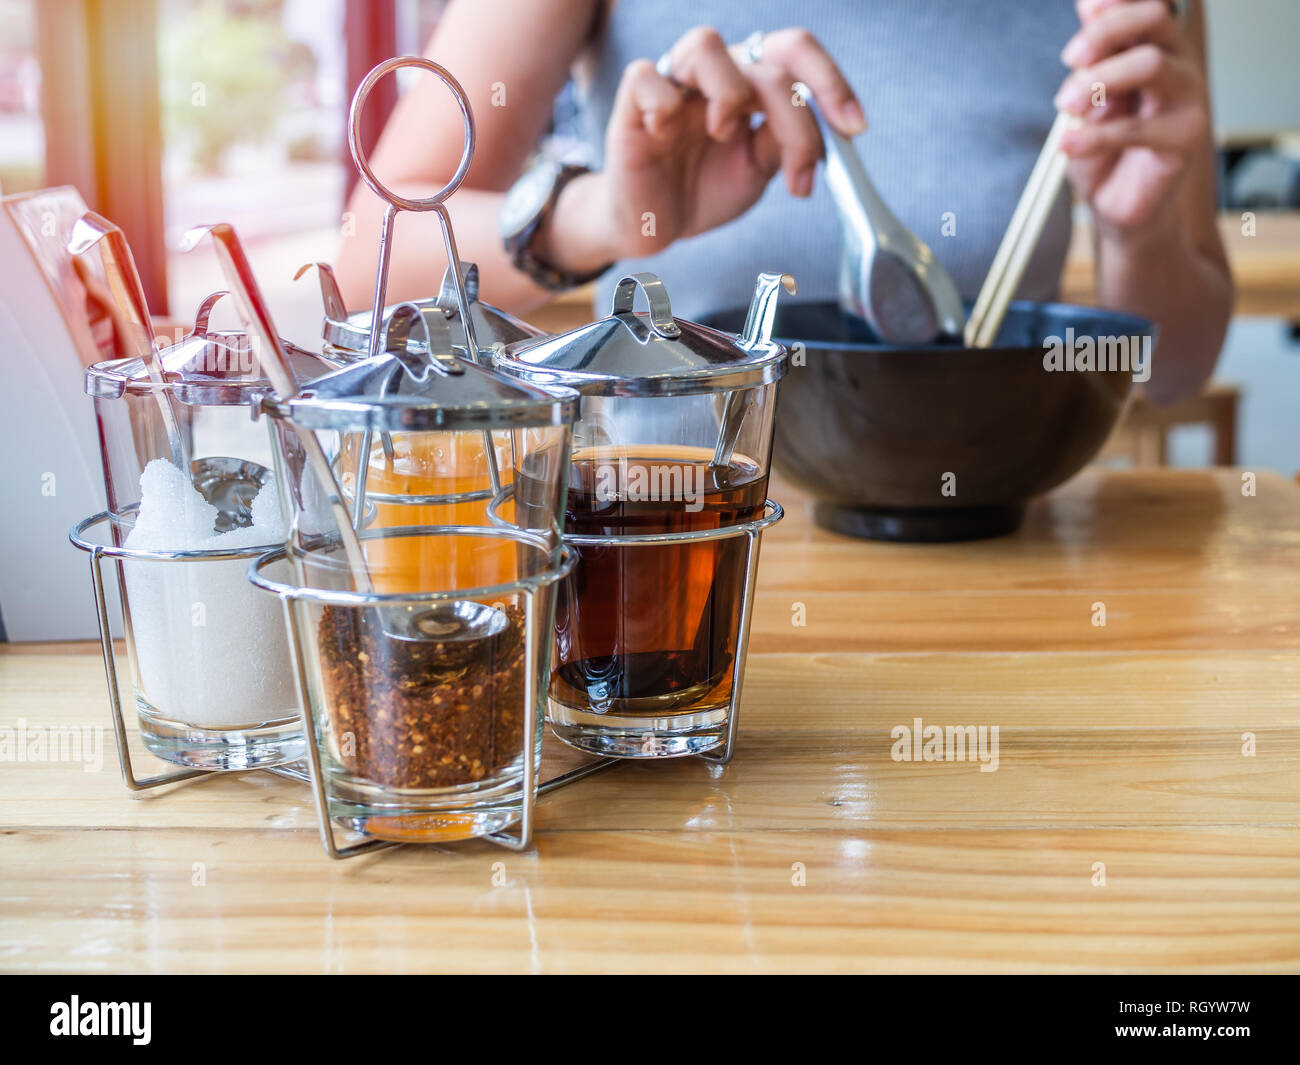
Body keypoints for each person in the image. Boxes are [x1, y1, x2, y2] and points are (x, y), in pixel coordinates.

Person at [335, 0, 1232, 405]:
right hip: (670, 540)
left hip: (1005, 559)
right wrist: (611, 216)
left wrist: (1137, 230)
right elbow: (375, 249)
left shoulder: (1133, 13)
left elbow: (1172, 370)